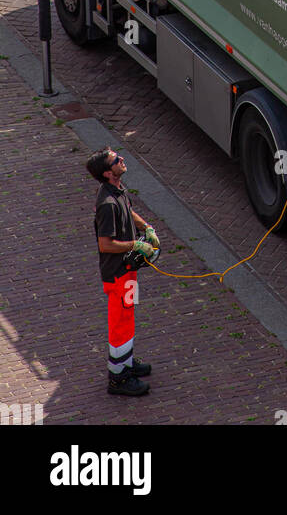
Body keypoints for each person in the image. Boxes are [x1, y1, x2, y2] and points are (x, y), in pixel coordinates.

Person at [87, 147, 159, 397]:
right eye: (116, 160)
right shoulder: (106, 203)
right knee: (119, 325)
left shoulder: (117, 190)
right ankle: (118, 379)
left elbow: (128, 210)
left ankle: (127, 363)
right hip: (118, 275)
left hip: (128, 271)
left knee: (127, 319)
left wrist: (146, 226)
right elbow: (105, 244)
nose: (122, 159)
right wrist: (136, 244)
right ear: (108, 173)